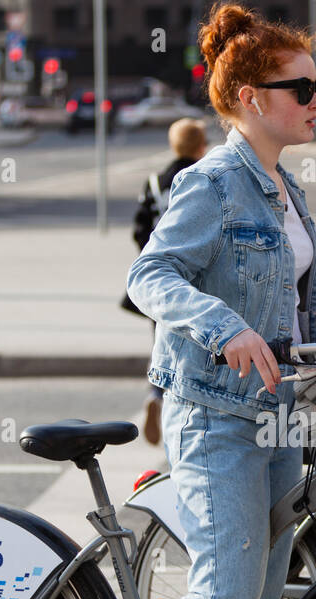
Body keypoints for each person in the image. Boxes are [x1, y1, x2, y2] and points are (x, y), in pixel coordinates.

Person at [71, 2, 316, 599]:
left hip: (278, 416)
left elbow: (287, 304)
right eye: (302, 87)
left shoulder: (287, 191)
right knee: (225, 592)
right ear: (254, 99)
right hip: (215, 416)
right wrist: (221, 328)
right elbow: (149, 277)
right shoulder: (211, 183)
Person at [124, 118, 210, 445]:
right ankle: (186, 408)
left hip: (160, 280)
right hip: (197, 280)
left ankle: (156, 393)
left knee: (162, 338)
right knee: (195, 345)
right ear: (201, 146)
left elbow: (138, 229)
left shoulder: (153, 182)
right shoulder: (204, 178)